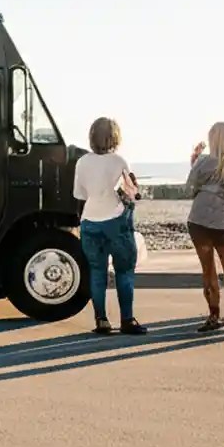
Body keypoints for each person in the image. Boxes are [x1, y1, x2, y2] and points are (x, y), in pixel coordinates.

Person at [72, 117, 147, 336]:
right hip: (116, 221)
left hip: (90, 221)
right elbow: (129, 192)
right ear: (115, 137)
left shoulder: (82, 162)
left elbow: (80, 194)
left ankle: (101, 320)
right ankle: (127, 319)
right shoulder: (119, 161)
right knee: (124, 271)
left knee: (97, 272)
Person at [186, 122, 224, 338]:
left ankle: (213, 316)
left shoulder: (203, 161)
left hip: (199, 218)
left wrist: (194, 163)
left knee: (208, 270)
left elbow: (189, 187)